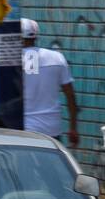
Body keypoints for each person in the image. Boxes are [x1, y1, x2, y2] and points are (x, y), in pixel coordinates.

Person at [20, 18, 79, 148]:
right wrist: (73, 127)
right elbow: (70, 96)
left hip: (26, 129)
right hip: (52, 129)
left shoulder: (16, 60)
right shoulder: (57, 57)